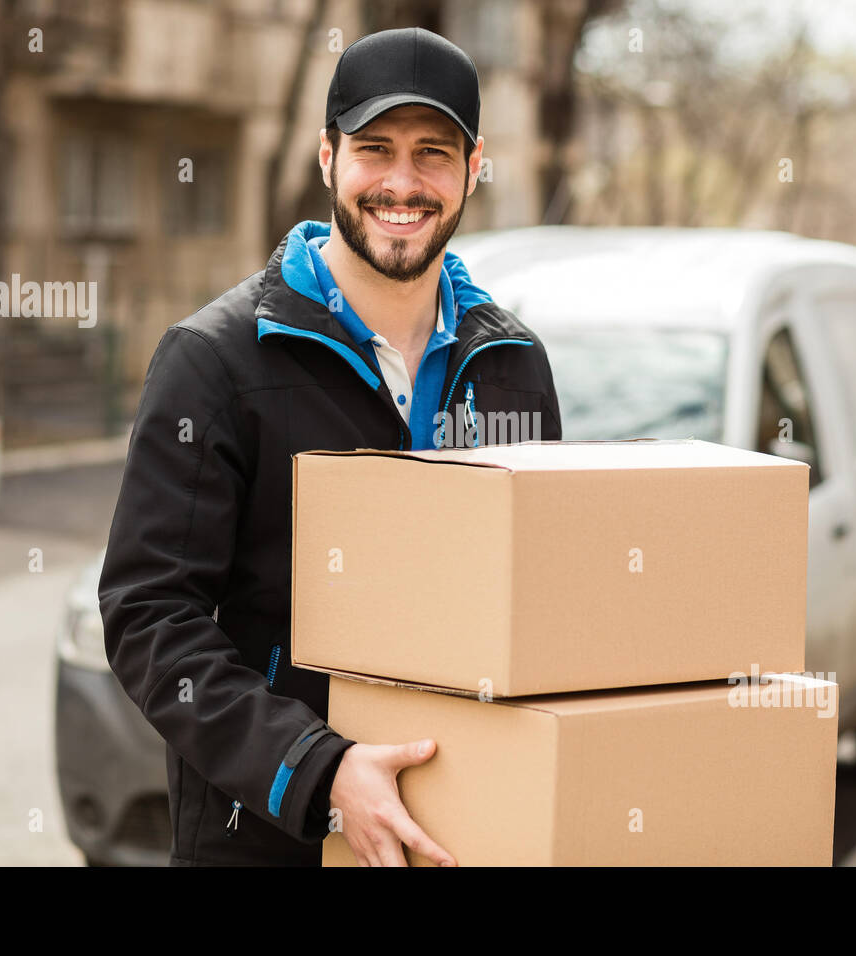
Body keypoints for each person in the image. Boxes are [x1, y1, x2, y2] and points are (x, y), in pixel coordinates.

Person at [98, 27, 562, 866]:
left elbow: (542, 604)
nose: (402, 182)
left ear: (475, 165)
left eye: (434, 153)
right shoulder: (217, 361)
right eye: (374, 148)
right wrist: (320, 770)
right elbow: (148, 617)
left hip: (473, 824)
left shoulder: (514, 368)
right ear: (326, 156)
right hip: (266, 837)